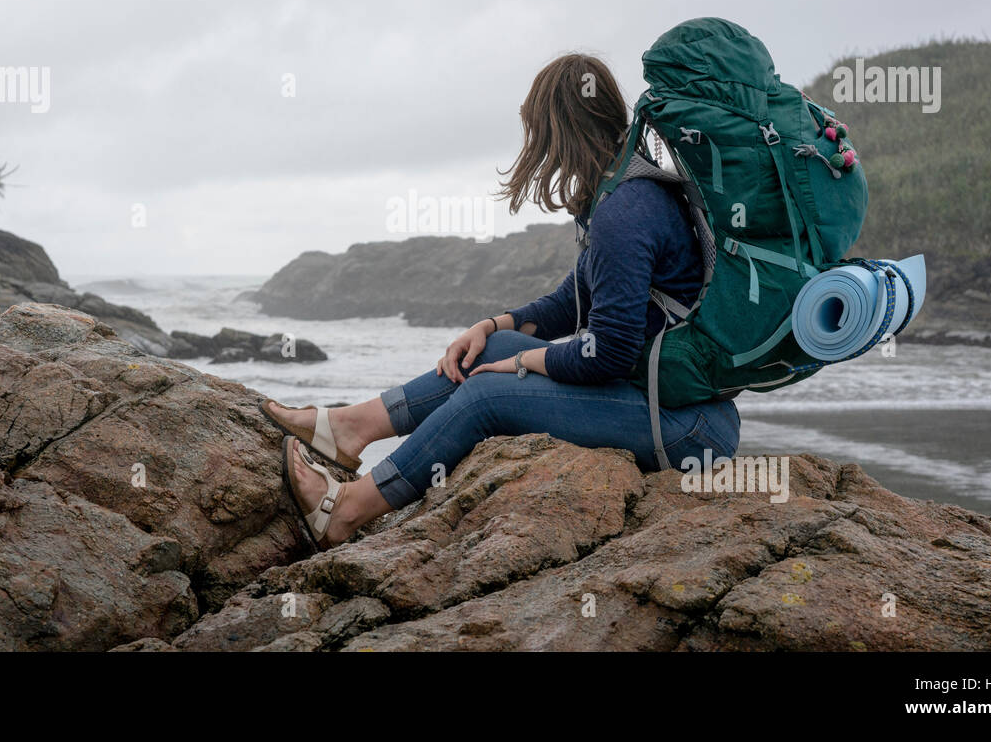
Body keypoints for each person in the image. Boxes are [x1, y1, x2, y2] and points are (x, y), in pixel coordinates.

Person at [262, 53, 740, 550]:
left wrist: (523, 362)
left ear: (560, 130)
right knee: (487, 353)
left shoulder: (626, 211)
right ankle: (350, 428)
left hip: (686, 429)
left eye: (536, 131)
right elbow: (568, 306)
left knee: (488, 396)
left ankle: (346, 510)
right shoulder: (620, 192)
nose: (533, 146)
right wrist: (491, 328)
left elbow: (610, 352)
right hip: (669, 401)